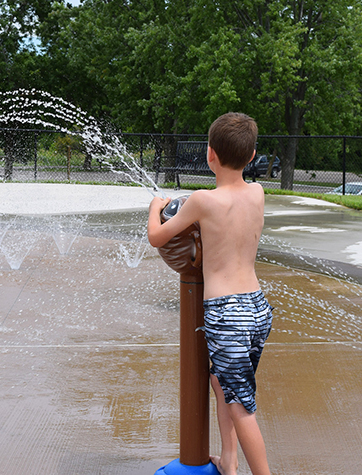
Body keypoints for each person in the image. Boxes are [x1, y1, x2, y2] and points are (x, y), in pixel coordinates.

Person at [147, 112, 272, 475]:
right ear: (252, 156)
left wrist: (155, 208)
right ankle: (228, 462)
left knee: (241, 407)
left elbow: (157, 236)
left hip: (226, 314)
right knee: (224, 384)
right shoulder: (258, 192)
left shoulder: (203, 200)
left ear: (209, 154)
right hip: (257, 309)